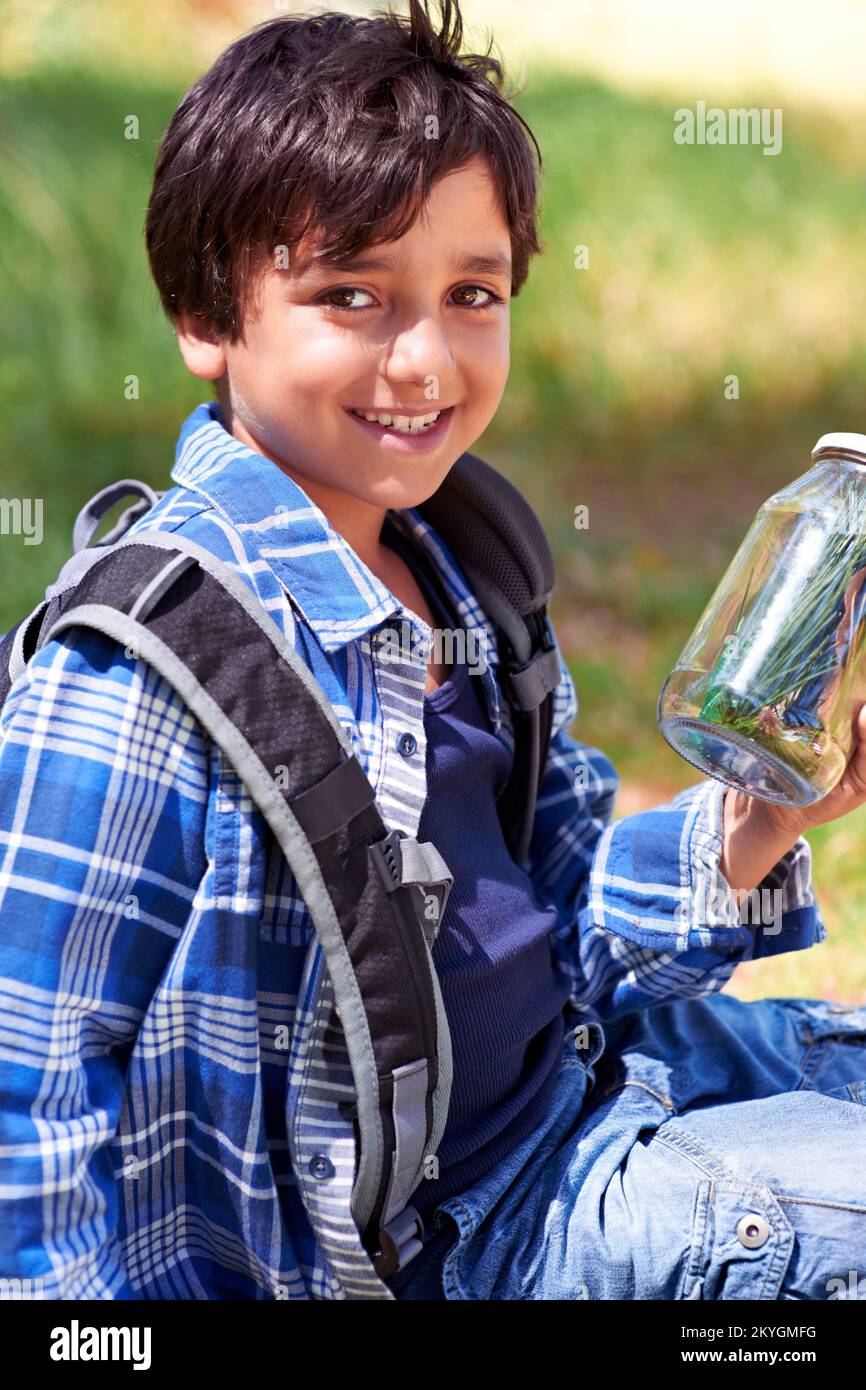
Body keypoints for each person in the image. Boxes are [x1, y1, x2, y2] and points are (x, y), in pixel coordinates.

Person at [1, 0, 864, 1302]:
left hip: (587, 1075)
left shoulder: (466, 564)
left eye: (471, 295)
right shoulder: (145, 673)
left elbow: (553, 910)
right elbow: (25, 1096)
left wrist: (751, 823)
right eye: (348, 293)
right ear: (203, 315)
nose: (421, 358)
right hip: (457, 1232)